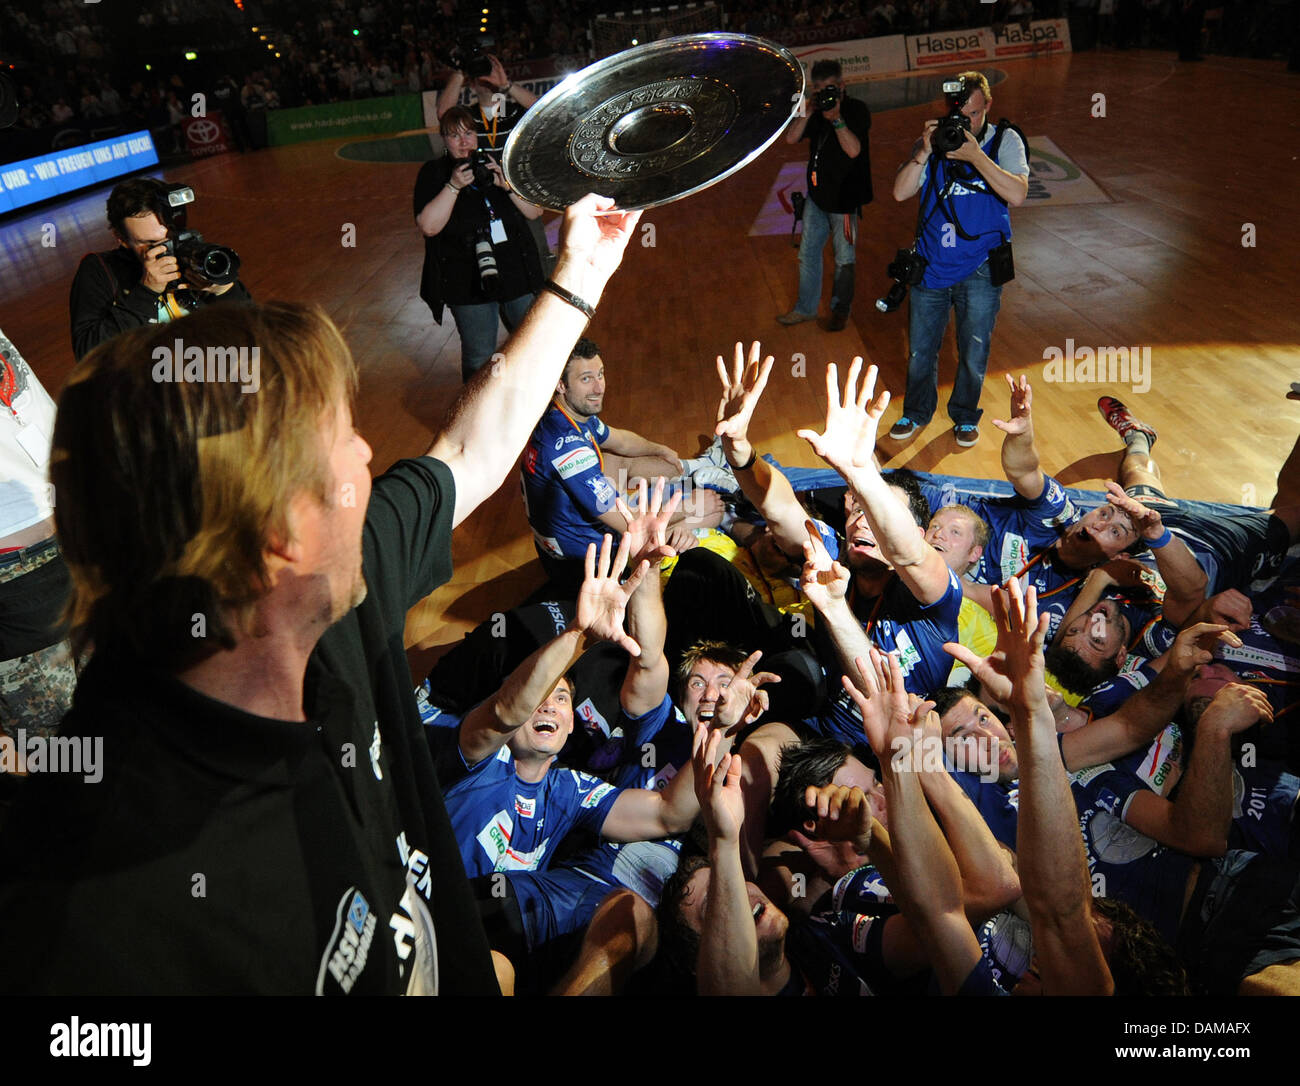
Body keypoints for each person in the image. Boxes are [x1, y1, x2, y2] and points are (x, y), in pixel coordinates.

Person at [0, 192, 644, 995]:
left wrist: (581, 269)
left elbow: (470, 451)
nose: (372, 451)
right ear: (285, 537)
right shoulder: (100, 916)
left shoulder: (325, 590)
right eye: (347, 438)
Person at [888, 71, 1029, 447]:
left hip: (981, 268)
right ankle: (916, 412)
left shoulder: (1005, 139)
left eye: (976, 114)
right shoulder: (935, 144)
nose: (967, 123)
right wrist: (922, 151)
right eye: (962, 115)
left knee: (973, 349)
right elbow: (900, 192)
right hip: (932, 265)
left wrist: (975, 156)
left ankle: (966, 415)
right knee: (920, 350)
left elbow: (1016, 194)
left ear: (988, 106)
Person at [521, 338, 725, 589]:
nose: (599, 387)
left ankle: (699, 467)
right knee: (714, 510)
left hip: (558, 545)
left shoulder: (562, 417)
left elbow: (621, 441)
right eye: (586, 379)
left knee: (614, 459)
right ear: (561, 385)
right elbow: (634, 525)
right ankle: (698, 518)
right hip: (585, 566)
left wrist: (661, 450)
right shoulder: (570, 453)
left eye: (601, 374)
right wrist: (690, 505)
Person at [415, 106, 546, 382]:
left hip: (515, 274)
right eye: (454, 136)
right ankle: (478, 419)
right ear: (444, 140)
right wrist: (453, 186)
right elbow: (429, 226)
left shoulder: (495, 163)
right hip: (467, 283)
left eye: (469, 133)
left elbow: (535, 212)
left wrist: (507, 186)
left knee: (533, 346)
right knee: (479, 356)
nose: (464, 142)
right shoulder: (434, 173)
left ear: (478, 135)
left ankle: (533, 410)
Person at [68, 178, 252, 360]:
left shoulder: (195, 257)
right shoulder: (101, 270)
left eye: (171, 238)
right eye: (151, 243)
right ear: (121, 238)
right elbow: (88, 354)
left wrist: (224, 291)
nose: (168, 248)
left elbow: (252, 333)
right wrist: (146, 292)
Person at [777, 59, 872, 332]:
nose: (824, 94)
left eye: (829, 88)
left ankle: (839, 311)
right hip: (817, 198)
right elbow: (791, 139)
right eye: (818, 88)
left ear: (842, 86)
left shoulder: (856, 110)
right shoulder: (815, 112)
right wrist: (807, 109)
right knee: (807, 255)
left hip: (845, 200)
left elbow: (854, 150)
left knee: (844, 259)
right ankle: (805, 309)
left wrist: (837, 120)